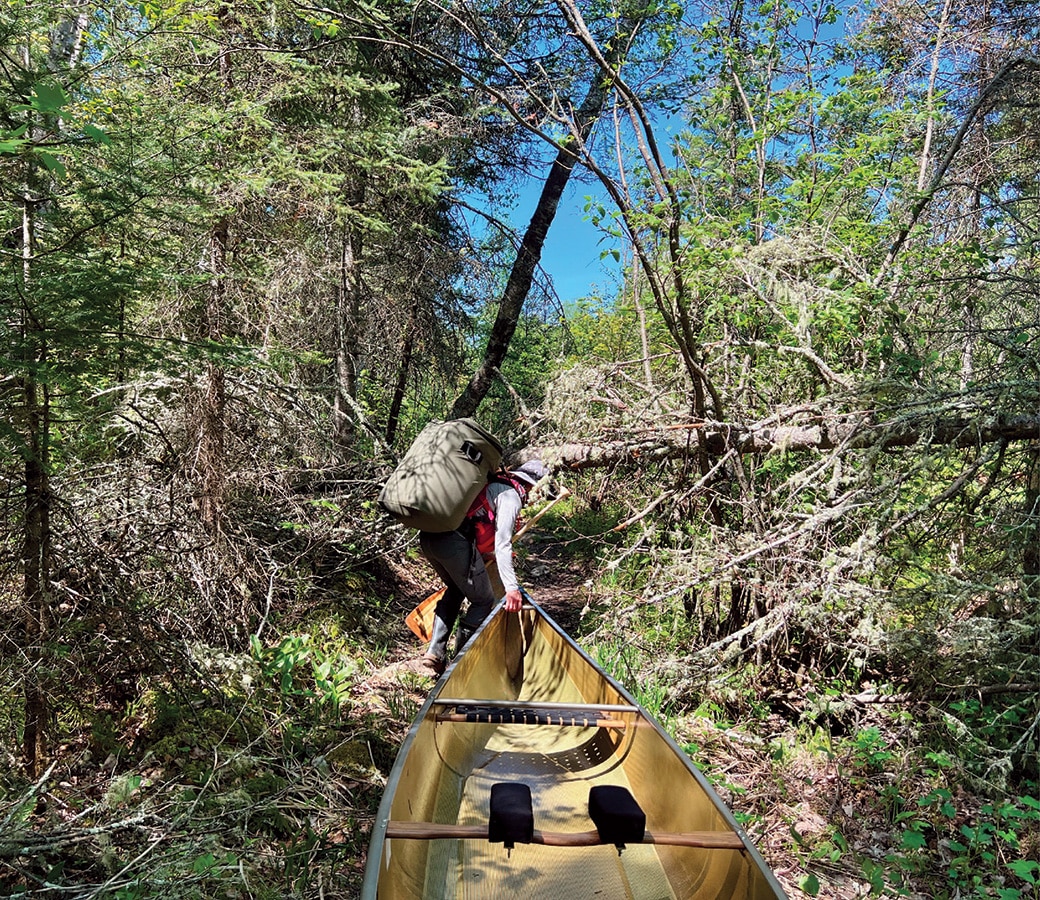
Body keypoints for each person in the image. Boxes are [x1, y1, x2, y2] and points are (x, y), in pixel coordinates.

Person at [418, 459, 548, 675]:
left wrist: (483, 555)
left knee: (457, 589)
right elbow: (503, 543)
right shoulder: (511, 496)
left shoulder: (489, 485)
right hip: (453, 543)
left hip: (430, 538)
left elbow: (474, 523)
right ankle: (460, 669)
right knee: (483, 600)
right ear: (532, 486)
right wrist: (511, 588)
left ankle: (434, 654)